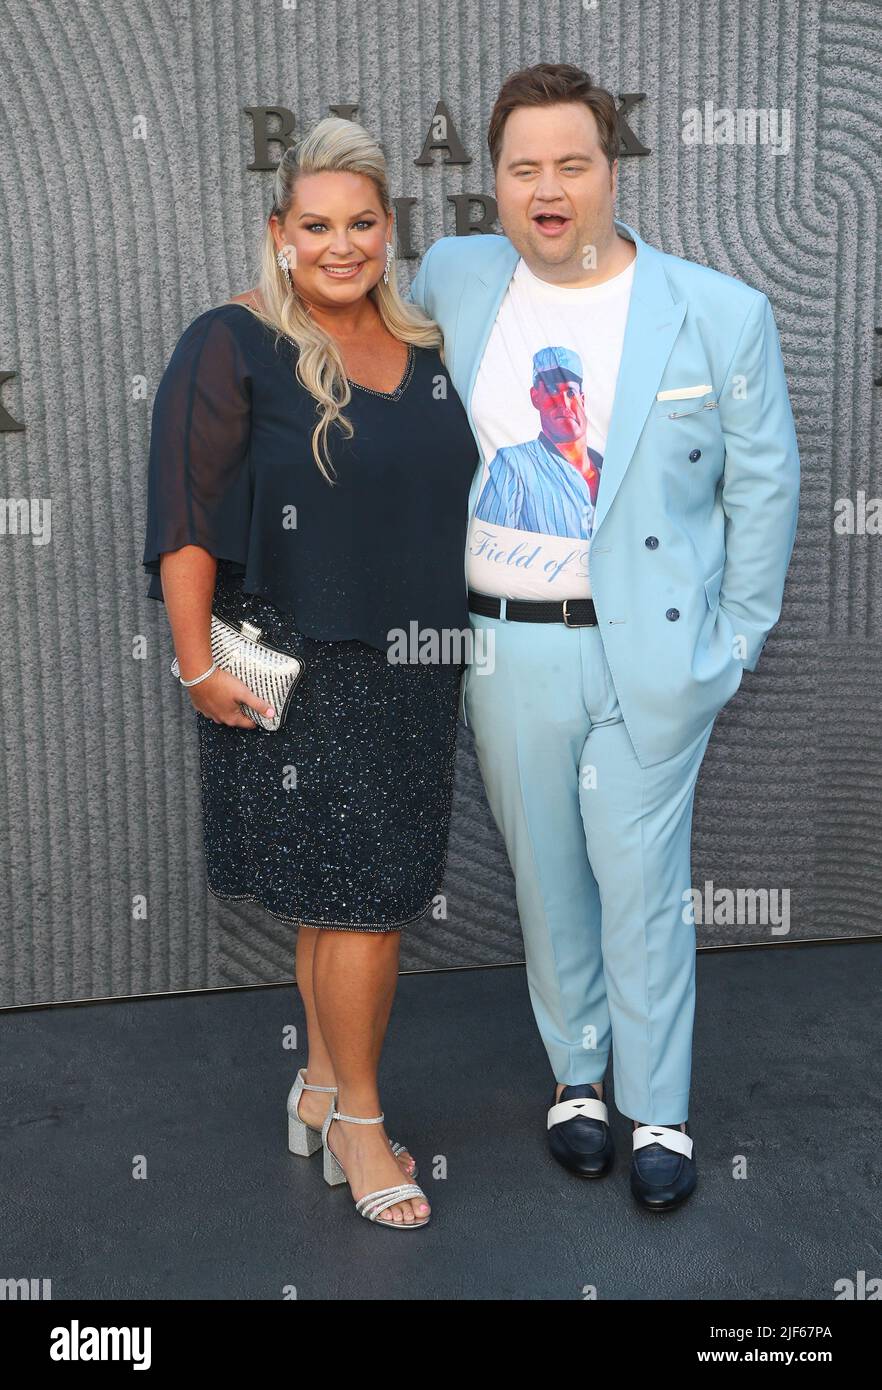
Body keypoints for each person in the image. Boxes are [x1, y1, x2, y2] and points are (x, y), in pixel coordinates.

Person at [408, 63, 800, 1210]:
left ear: (611, 171)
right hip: (505, 651)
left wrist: (727, 648)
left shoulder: (716, 312)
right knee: (547, 877)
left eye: (571, 163)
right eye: (523, 166)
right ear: (494, 182)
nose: (547, 188)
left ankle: (659, 1106)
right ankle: (578, 1078)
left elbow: (765, 490)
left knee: (639, 879)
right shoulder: (457, 278)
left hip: (652, 658)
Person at [142, 116, 478, 1229]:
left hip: (417, 665)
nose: (342, 244)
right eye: (317, 224)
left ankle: (321, 1085)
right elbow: (186, 516)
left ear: (391, 229)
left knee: (348, 905)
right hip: (301, 667)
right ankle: (362, 1122)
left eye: (364, 223)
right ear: (278, 233)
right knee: (363, 906)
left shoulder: (427, 344)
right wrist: (195, 664)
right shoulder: (230, 340)